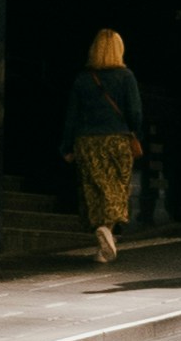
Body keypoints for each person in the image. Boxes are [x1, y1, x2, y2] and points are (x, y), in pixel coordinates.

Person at [61, 27, 148, 264]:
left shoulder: (82, 79)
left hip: (87, 141)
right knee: (117, 189)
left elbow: (72, 116)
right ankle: (108, 230)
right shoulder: (126, 77)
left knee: (94, 188)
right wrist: (135, 133)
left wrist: (67, 147)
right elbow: (135, 112)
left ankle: (102, 235)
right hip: (117, 141)